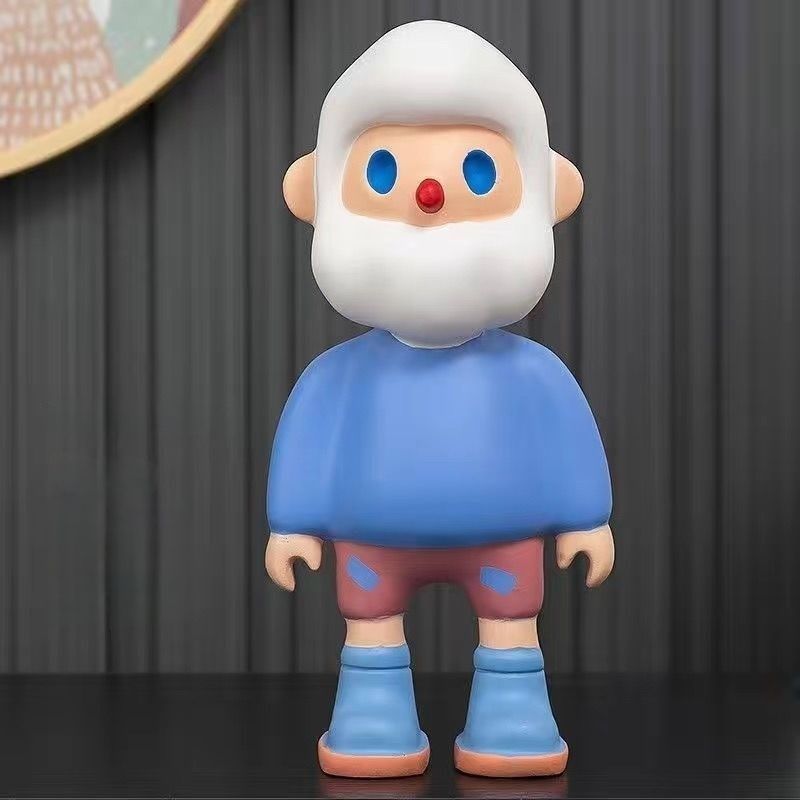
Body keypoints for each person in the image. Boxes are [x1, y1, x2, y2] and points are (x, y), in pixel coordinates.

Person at [265, 20, 615, 779]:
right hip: (373, 545)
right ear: (312, 194)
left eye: (478, 173)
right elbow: (310, 434)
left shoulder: (530, 372)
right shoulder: (338, 375)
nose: (429, 197)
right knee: (370, 628)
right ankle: (372, 719)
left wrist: (587, 516)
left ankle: (514, 721)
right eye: (382, 171)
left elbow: (564, 431)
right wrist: (292, 522)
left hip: (502, 542)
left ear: (551, 192)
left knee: (512, 625)